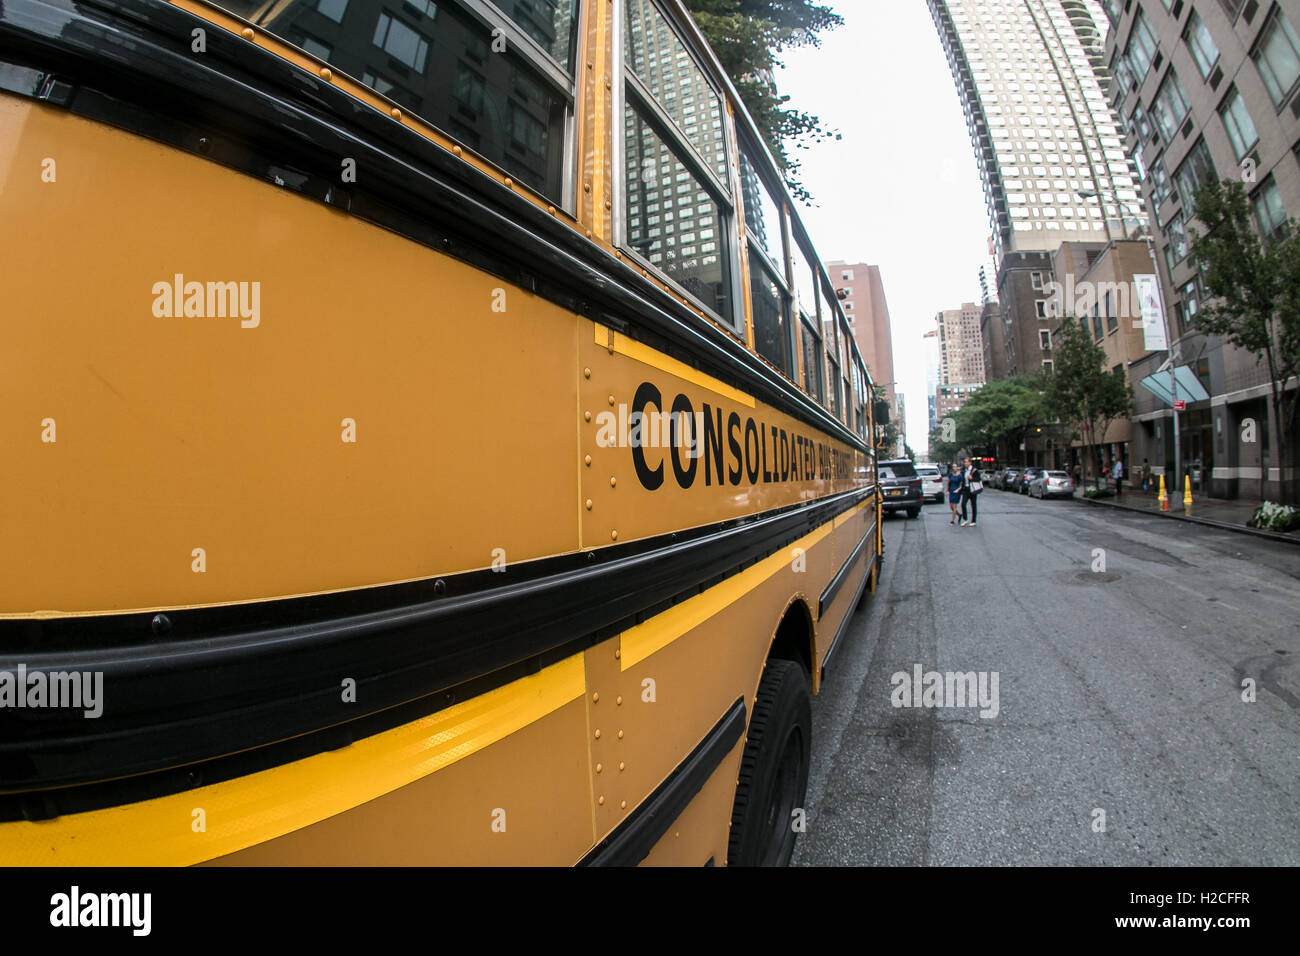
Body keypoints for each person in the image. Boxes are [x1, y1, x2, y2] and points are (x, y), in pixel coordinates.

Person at [960, 457, 982, 527]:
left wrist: (972, 478)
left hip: (972, 489)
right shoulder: (964, 470)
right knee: (963, 504)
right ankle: (965, 519)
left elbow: (979, 479)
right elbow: (963, 479)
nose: (965, 463)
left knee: (973, 505)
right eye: (964, 462)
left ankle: (973, 521)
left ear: (970, 463)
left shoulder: (974, 470)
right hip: (966, 489)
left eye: (966, 462)